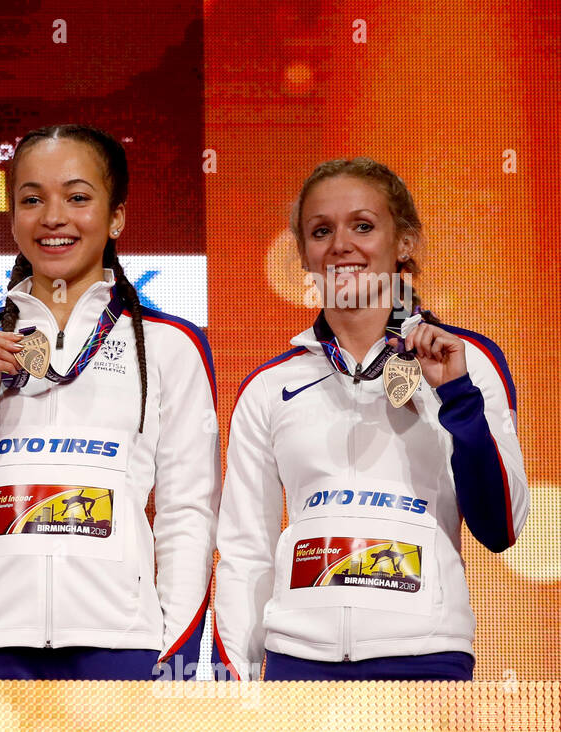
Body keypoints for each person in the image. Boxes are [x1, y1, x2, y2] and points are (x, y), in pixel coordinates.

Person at [0, 124, 220, 680]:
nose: (54, 217)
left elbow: (187, 518)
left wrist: (173, 655)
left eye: (78, 197)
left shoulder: (172, 346)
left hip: (123, 649)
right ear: (12, 217)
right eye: (32, 199)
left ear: (116, 216)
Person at [214, 157, 528, 681]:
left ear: (403, 243)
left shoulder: (466, 360)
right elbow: (247, 552)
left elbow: (500, 528)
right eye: (321, 231)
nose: (341, 245)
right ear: (304, 255)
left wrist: (457, 397)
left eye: (363, 225)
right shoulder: (270, 385)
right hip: (298, 662)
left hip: (426, 656)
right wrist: (237, 681)